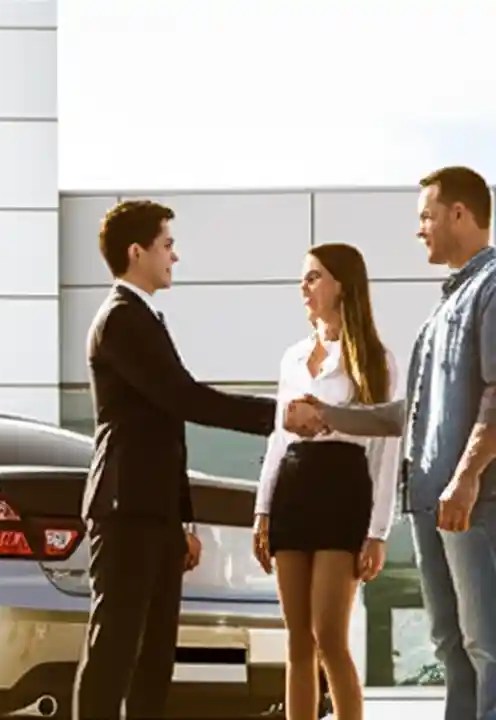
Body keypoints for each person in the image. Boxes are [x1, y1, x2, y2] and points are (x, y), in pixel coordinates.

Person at [286, 166, 496, 720]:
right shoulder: (441, 312)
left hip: (474, 506)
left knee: (487, 647)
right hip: (434, 507)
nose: (419, 229)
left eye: (426, 216)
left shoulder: (492, 289)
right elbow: (411, 414)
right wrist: (328, 414)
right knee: (453, 648)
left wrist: (467, 476)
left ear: (460, 213)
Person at [74, 199, 277, 720]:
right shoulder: (121, 318)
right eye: (167, 245)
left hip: (153, 511)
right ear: (136, 251)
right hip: (125, 508)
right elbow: (183, 398)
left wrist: (180, 519)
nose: (175, 256)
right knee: (115, 648)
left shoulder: (143, 317)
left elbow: (166, 427)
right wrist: (278, 416)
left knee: (155, 657)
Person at [253, 243, 400, 720]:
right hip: (293, 489)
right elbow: (278, 439)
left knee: (328, 637)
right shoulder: (292, 358)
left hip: (344, 493)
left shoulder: (376, 360)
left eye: (314, 276)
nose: (304, 286)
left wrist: (377, 532)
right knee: (296, 638)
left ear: (342, 285)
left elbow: (385, 450)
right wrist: (262, 511)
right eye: (304, 277)